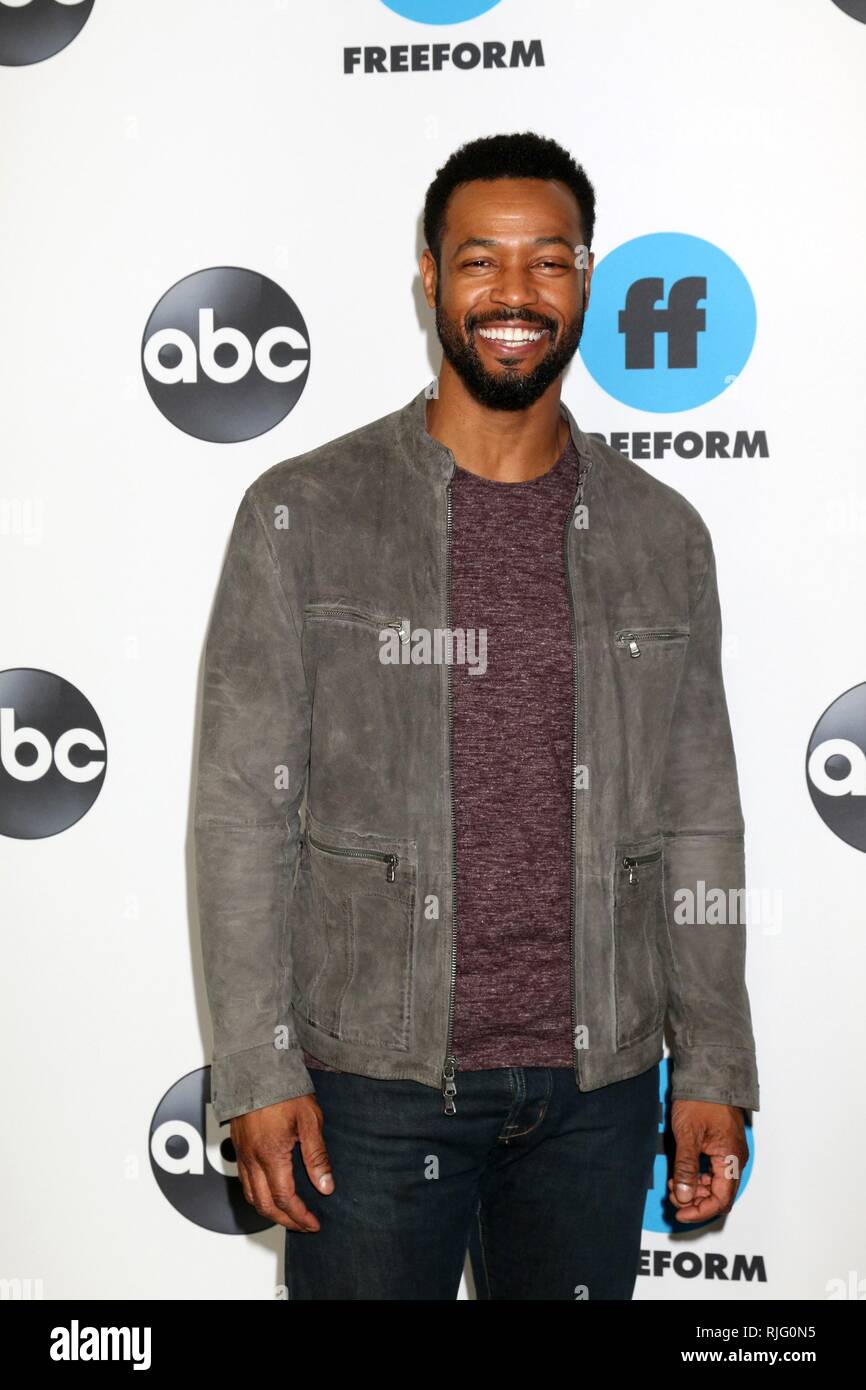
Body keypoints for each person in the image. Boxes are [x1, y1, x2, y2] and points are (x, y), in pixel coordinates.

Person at [193, 131, 759, 1301]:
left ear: (588, 279)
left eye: (547, 261)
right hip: (370, 1087)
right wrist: (254, 1069)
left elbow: (701, 817)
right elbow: (242, 817)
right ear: (426, 277)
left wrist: (710, 1059)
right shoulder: (303, 513)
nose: (513, 294)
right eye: (478, 262)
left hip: (597, 1091)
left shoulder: (664, 536)